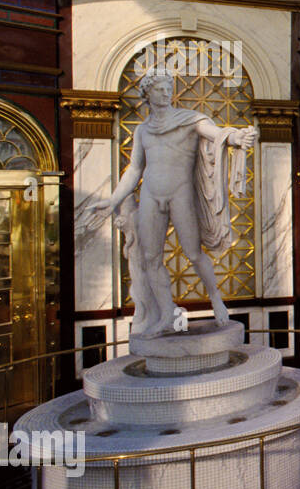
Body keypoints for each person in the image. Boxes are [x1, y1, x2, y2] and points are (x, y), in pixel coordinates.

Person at [89, 69, 257, 339]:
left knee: (192, 253)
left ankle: (216, 298)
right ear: (147, 94)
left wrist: (236, 138)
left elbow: (214, 133)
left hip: (181, 194)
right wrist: (113, 200)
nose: (166, 93)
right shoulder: (142, 130)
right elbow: (134, 170)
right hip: (150, 196)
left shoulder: (189, 120)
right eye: (160, 89)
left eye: (169, 88)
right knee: (151, 258)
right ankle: (166, 314)